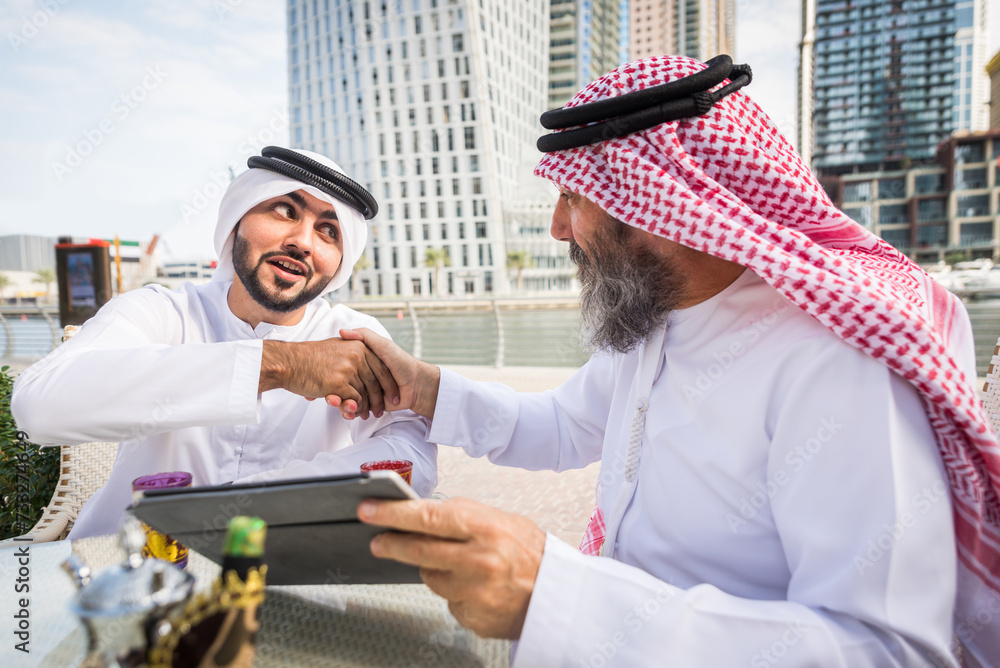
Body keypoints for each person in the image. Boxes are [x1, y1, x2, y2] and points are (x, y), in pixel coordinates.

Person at [340, 56, 1000, 667]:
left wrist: (555, 596)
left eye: (573, 198)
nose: (557, 229)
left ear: (656, 206)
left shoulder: (837, 361)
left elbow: (884, 651)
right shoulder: (660, 314)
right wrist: (420, 388)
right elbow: (566, 425)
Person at [11, 146, 437, 539]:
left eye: (329, 231)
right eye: (285, 210)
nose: (304, 242)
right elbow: (38, 408)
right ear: (237, 223)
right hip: (127, 568)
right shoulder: (162, 312)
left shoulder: (354, 337)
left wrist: (264, 497)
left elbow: (411, 450)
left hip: (286, 572)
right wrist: (276, 365)